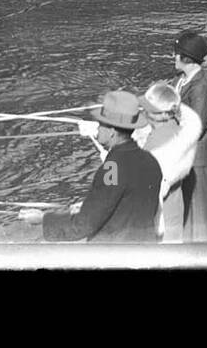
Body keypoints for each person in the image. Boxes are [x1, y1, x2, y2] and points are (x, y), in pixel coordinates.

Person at [39, 91, 163, 243]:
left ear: (112, 132)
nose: (97, 129)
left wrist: (44, 219)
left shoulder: (112, 167)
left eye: (100, 125)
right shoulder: (150, 160)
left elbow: (85, 224)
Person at [134, 81, 203, 242]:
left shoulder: (158, 144)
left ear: (164, 114)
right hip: (174, 211)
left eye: (149, 109)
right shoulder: (177, 130)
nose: (143, 111)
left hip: (158, 221)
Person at [172, 30, 207, 243]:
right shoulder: (181, 80)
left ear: (187, 59)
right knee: (188, 206)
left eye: (176, 54)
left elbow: (196, 125)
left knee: (199, 207)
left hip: (197, 155)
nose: (173, 58)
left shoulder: (200, 86)